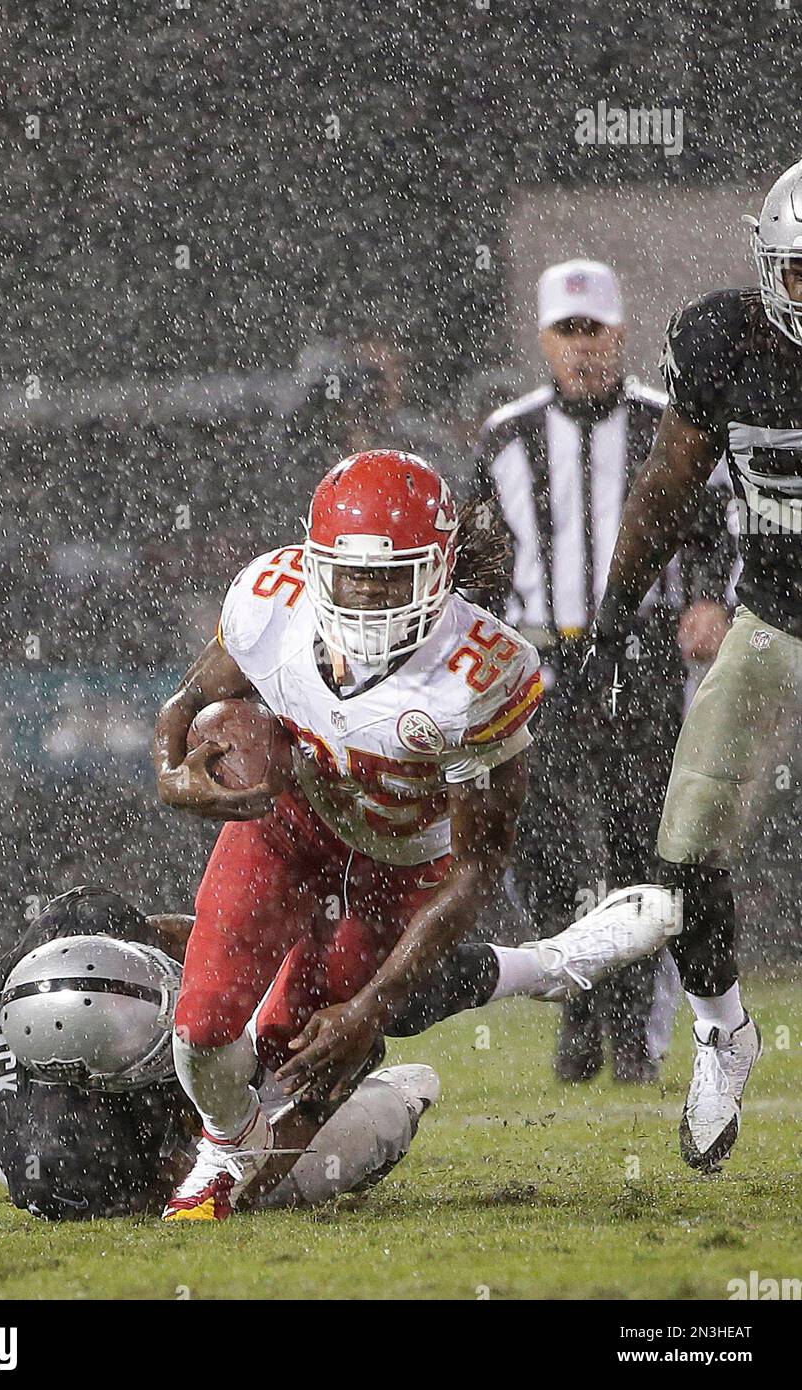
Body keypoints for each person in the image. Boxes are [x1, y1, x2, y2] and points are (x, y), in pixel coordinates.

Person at [153, 448, 679, 1220]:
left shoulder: (481, 674)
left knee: (301, 1055)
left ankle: (550, 967)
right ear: (312, 559)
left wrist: (370, 1006)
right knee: (200, 1029)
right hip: (291, 824)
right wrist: (173, 776)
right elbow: (185, 704)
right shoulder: (272, 603)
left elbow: (476, 869)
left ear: (440, 569)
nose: (367, 597)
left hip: (398, 865)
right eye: (351, 574)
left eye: (391, 576)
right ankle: (228, 1148)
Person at [585, 160, 802, 1170]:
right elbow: (668, 486)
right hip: (776, 623)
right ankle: (724, 1037)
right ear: (767, 271)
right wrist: (611, 621)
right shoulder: (724, 340)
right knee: (682, 859)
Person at [471, 260, 732, 1084]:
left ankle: (628, 1031)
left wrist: (706, 601)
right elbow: (476, 550)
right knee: (536, 836)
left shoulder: (668, 421)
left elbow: (716, 524)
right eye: (567, 331)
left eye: (595, 329)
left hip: (637, 648)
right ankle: (575, 997)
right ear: (545, 339)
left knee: (639, 834)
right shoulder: (506, 434)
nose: (583, 347)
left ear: (620, 332)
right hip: (538, 653)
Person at [0, 886, 441, 1220]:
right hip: (115, 1155)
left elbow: (181, 934)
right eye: (160, 1045)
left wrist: (273, 965)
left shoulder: (82, 922)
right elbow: (219, 1182)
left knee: (344, 978)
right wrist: (320, 1099)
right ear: (108, 1080)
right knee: (385, 1108)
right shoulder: (67, 1158)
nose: (177, 1011)